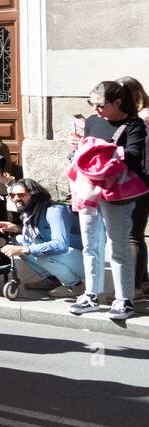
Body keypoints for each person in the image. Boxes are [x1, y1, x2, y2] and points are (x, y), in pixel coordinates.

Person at [67, 80, 147, 321]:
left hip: (116, 191)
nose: (95, 110)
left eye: (100, 105)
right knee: (90, 244)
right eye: (92, 104)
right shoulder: (92, 122)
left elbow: (133, 158)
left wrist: (97, 151)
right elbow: (80, 153)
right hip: (89, 189)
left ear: (118, 103)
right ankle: (91, 294)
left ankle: (124, 298)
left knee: (119, 244)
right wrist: (79, 149)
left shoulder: (133, 124)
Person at [0, 178, 84, 297]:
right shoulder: (33, 212)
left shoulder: (55, 210)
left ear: (34, 196)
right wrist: (16, 228)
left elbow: (60, 244)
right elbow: (40, 232)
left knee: (40, 255)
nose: (16, 198)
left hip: (82, 259)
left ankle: (76, 286)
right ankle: (53, 279)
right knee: (21, 240)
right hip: (66, 256)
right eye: (12, 195)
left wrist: (25, 250)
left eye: (21, 195)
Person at [119, 76, 149, 300]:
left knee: (132, 235)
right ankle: (143, 281)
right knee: (135, 234)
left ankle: (135, 288)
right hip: (138, 178)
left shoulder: (142, 118)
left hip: (140, 179)